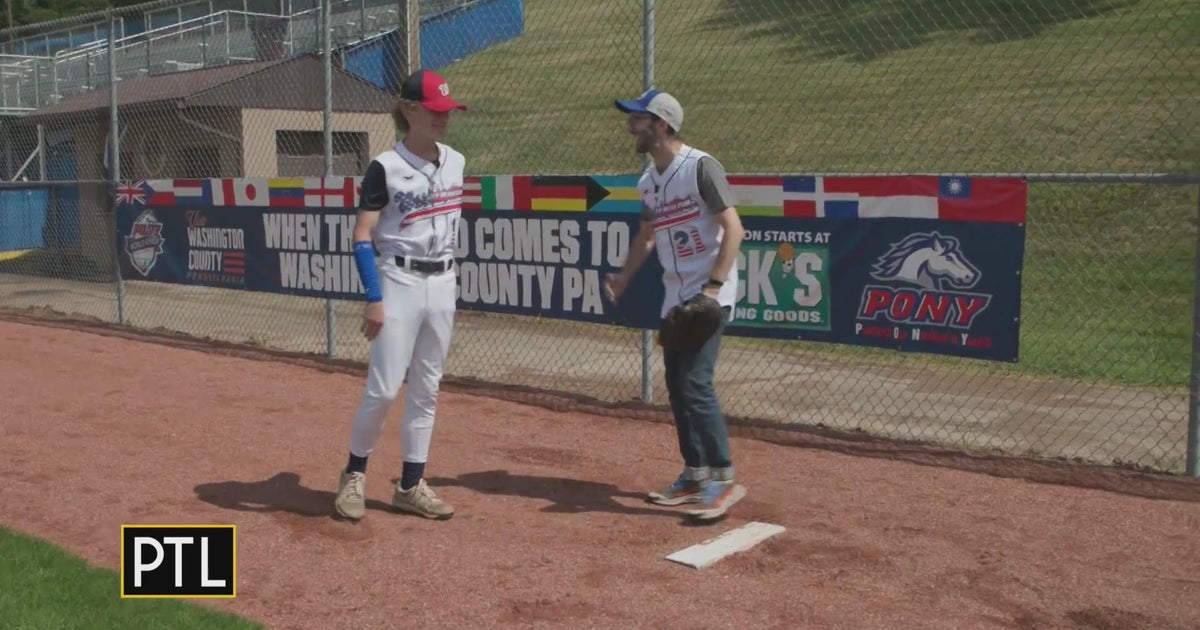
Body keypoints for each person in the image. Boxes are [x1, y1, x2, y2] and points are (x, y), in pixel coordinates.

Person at [604, 89, 748, 521]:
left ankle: (723, 480)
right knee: (677, 386)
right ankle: (695, 473)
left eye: (638, 119)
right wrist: (625, 276)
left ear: (662, 125)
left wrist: (712, 290)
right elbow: (647, 236)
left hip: (709, 296)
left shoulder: (701, 167)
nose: (631, 125)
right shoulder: (648, 182)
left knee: (696, 384)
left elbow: (734, 230)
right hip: (674, 296)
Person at [334, 69, 467, 521]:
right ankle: (354, 474)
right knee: (386, 387)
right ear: (410, 110)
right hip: (399, 282)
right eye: (434, 110)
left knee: (427, 389)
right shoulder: (385, 167)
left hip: (443, 282)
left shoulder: (457, 161)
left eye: (447, 111)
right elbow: (362, 235)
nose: (443, 118)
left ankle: (411, 485)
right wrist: (374, 296)